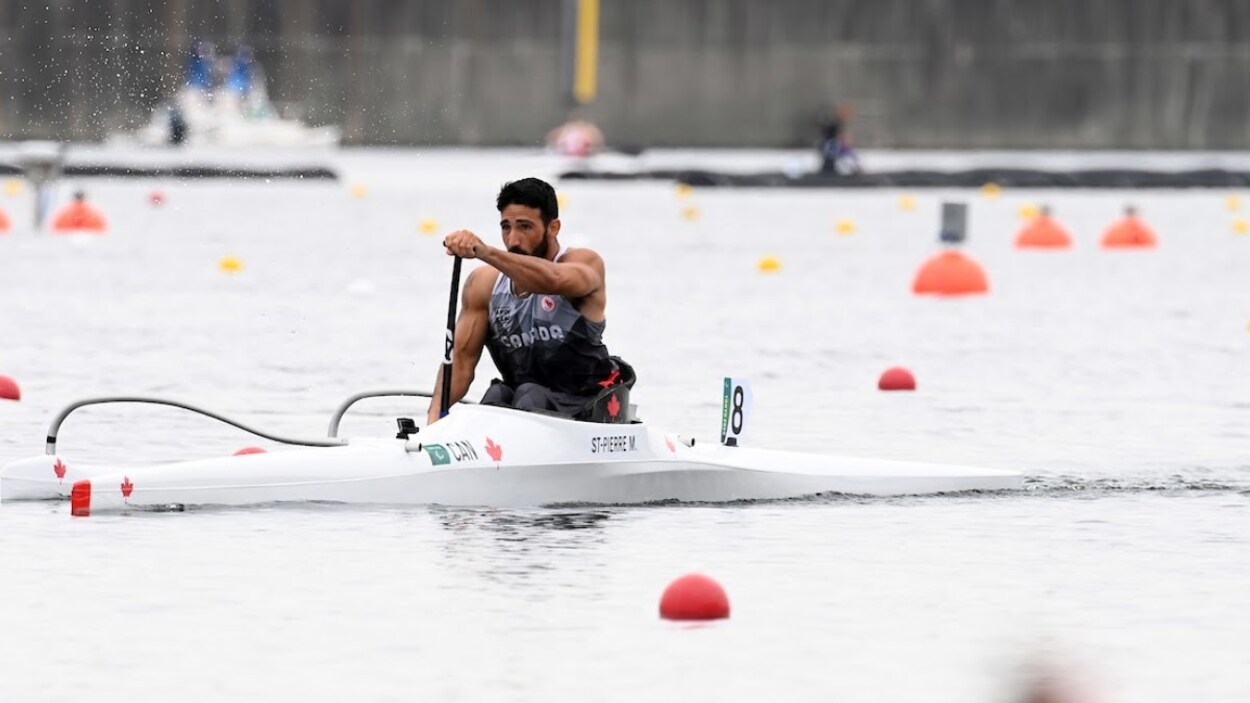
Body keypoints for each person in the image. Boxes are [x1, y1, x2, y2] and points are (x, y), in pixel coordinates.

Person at [427, 177, 631, 424]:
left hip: (588, 408)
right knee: (497, 395)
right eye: (506, 227)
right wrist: (431, 427)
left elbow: (551, 280)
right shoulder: (483, 284)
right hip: (527, 411)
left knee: (529, 395)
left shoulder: (585, 264)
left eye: (524, 227)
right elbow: (459, 364)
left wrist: (485, 251)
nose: (513, 240)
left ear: (553, 228)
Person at [817, 104, 862, 175]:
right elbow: (837, 137)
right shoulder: (835, 125)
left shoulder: (839, 124)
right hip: (831, 148)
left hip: (835, 148)